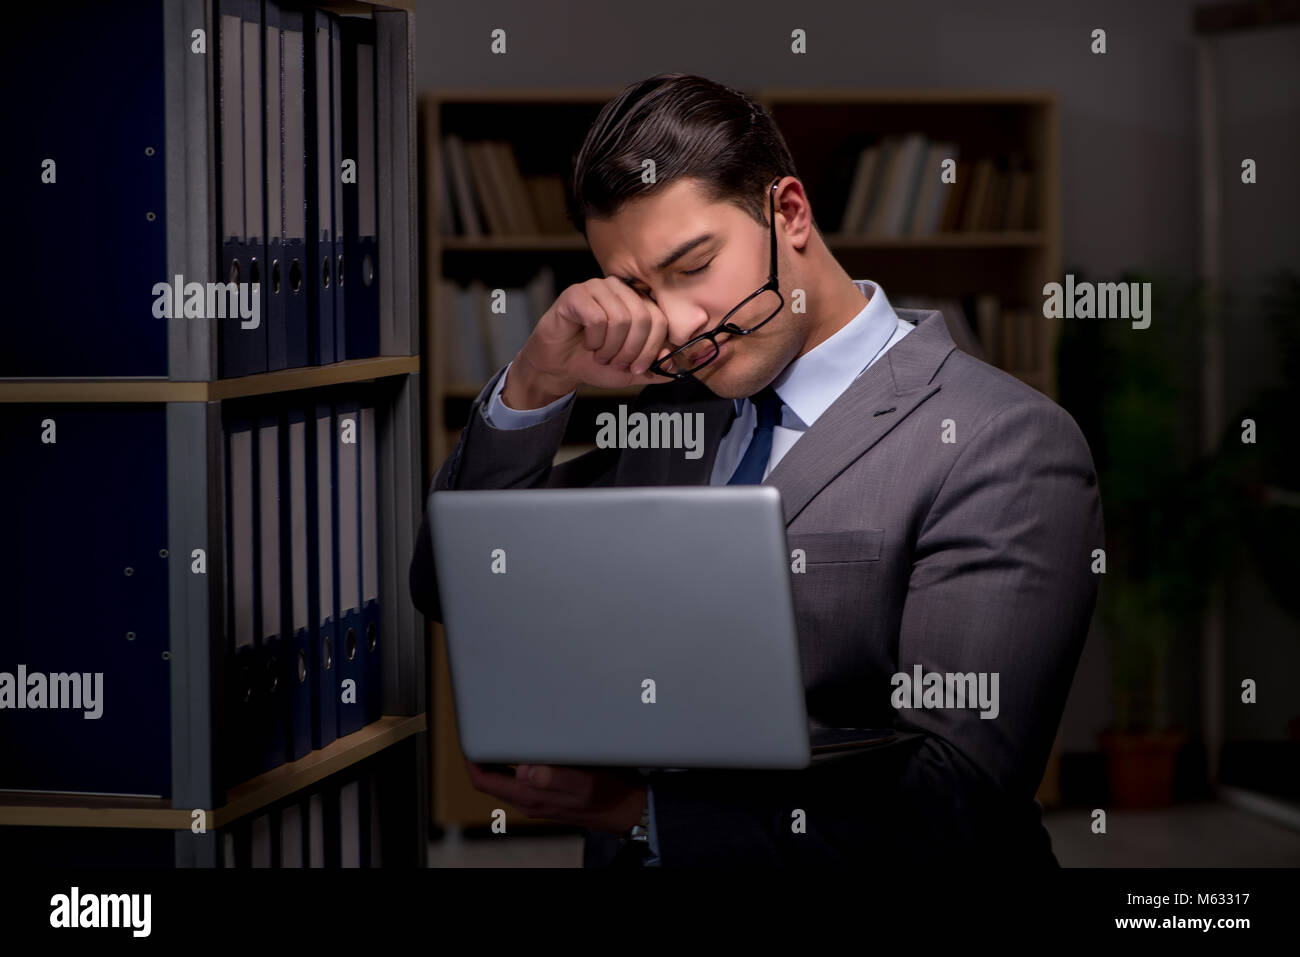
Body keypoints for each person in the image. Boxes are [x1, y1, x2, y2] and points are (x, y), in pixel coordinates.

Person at [409, 73, 1103, 867]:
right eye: (637, 288)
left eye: (694, 265)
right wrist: (535, 384)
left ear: (790, 214)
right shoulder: (673, 416)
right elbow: (449, 587)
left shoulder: (1005, 440)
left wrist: (639, 812)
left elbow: (960, 800)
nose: (675, 323)